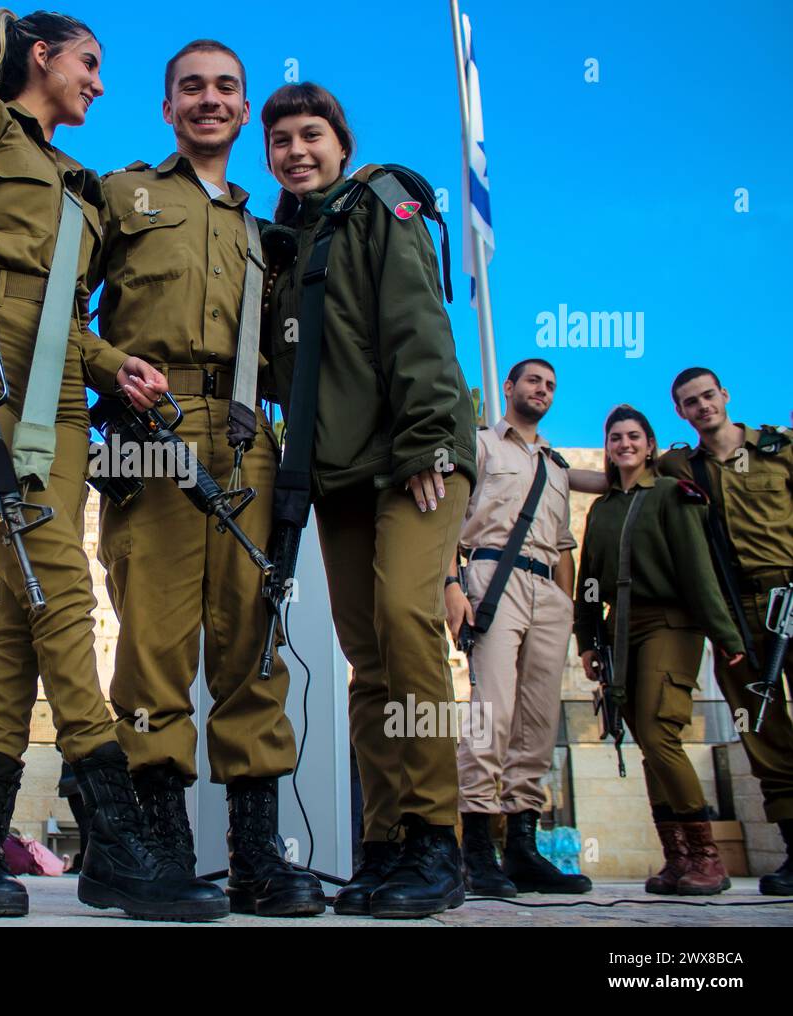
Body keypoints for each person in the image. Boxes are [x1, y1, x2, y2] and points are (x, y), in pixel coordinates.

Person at [0, 7, 227, 920]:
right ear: (42, 56)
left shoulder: (79, 181)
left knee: (22, 611)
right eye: (90, 63)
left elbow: (70, 321)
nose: (100, 84)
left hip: (64, 395)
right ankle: (117, 844)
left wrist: (122, 367)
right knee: (60, 588)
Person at [78, 39, 322, 917]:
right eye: (192, 88)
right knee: (153, 643)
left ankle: (257, 856)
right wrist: (109, 366)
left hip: (250, 435)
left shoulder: (271, 231)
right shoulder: (119, 194)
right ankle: (157, 850)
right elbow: (57, 308)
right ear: (168, 106)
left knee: (253, 645)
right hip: (152, 431)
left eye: (225, 88)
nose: (209, 100)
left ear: (242, 108)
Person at [261, 82, 478, 918]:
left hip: (412, 457)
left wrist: (428, 436)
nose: (296, 151)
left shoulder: (381, 202)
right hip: (339, 473)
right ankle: (385, 845)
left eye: (311, 135)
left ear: (341, 144)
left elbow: (418, 325)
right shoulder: (293, 242)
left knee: (407, 625)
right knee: (367, 658)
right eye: (281, 141)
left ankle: (436, 839)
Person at [576, 405, 745, 895]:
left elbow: (697, 570)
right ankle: (676, 859)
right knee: (648, 746)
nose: (624, 444)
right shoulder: (603, 508)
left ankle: (707, 858)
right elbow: (589, 583)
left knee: (658, 730)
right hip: (618, 631)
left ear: (650, 446)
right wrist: (588, 641)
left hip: (671, 623)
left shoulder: (672, 495)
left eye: (634, 436)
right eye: (615, 437)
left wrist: (725, 634)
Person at [446, 359, 591, 895]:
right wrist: (450, 584)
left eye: (552, 385)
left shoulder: (557, 465)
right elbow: (448, 521)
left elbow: (564, 546)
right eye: (534, 381)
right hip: (492, 578)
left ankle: (523, 849)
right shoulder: (482, 444)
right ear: (510, 388)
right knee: (493, 711)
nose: (543, 390)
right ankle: (476, 850)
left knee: (537, 720)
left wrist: (566, 605)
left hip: (548, 591)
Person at [657, 368, 793, 895]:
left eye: (708, 396)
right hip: (737, 612)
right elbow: (622, 472)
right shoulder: (678, 465)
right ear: (681, 412)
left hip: (788, 589)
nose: (702, 407)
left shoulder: (777, 450)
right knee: (761, 731)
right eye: (690, 402)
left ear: (725, 396)